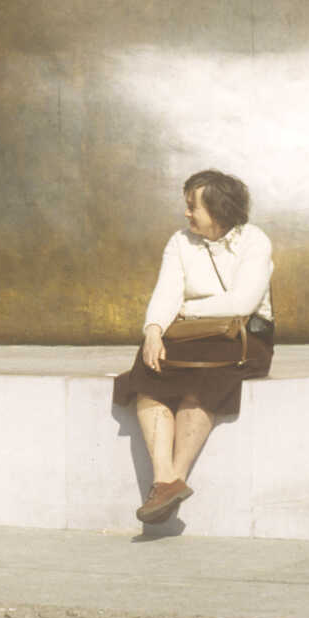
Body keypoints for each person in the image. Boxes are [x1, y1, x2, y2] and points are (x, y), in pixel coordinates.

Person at [111, 169, 276, 526]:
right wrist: (154, 331)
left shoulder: (255, 241)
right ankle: (166, 482)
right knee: (147, 374)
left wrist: (187, 311)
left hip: (244, 336)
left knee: (202, 384)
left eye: (193, 207)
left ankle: (171, 481)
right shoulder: (179, 242)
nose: (186, 214)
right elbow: (165, 291)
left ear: (219, 210)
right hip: (188, 333)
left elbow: (242, 302)